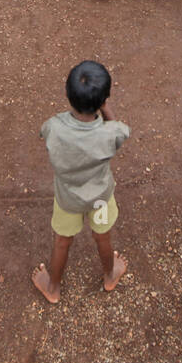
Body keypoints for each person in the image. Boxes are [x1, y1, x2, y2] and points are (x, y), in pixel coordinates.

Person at [32, 60, 130, 303]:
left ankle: (53, 287)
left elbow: (43, 135)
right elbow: (121, 130)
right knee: (103, 236)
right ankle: (110, 275)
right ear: (104, 100)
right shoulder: (110, 133)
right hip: (100, 198)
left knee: (62, 242)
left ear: (68, 95)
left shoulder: (54, 127)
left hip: (68, 199)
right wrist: (105, 107)